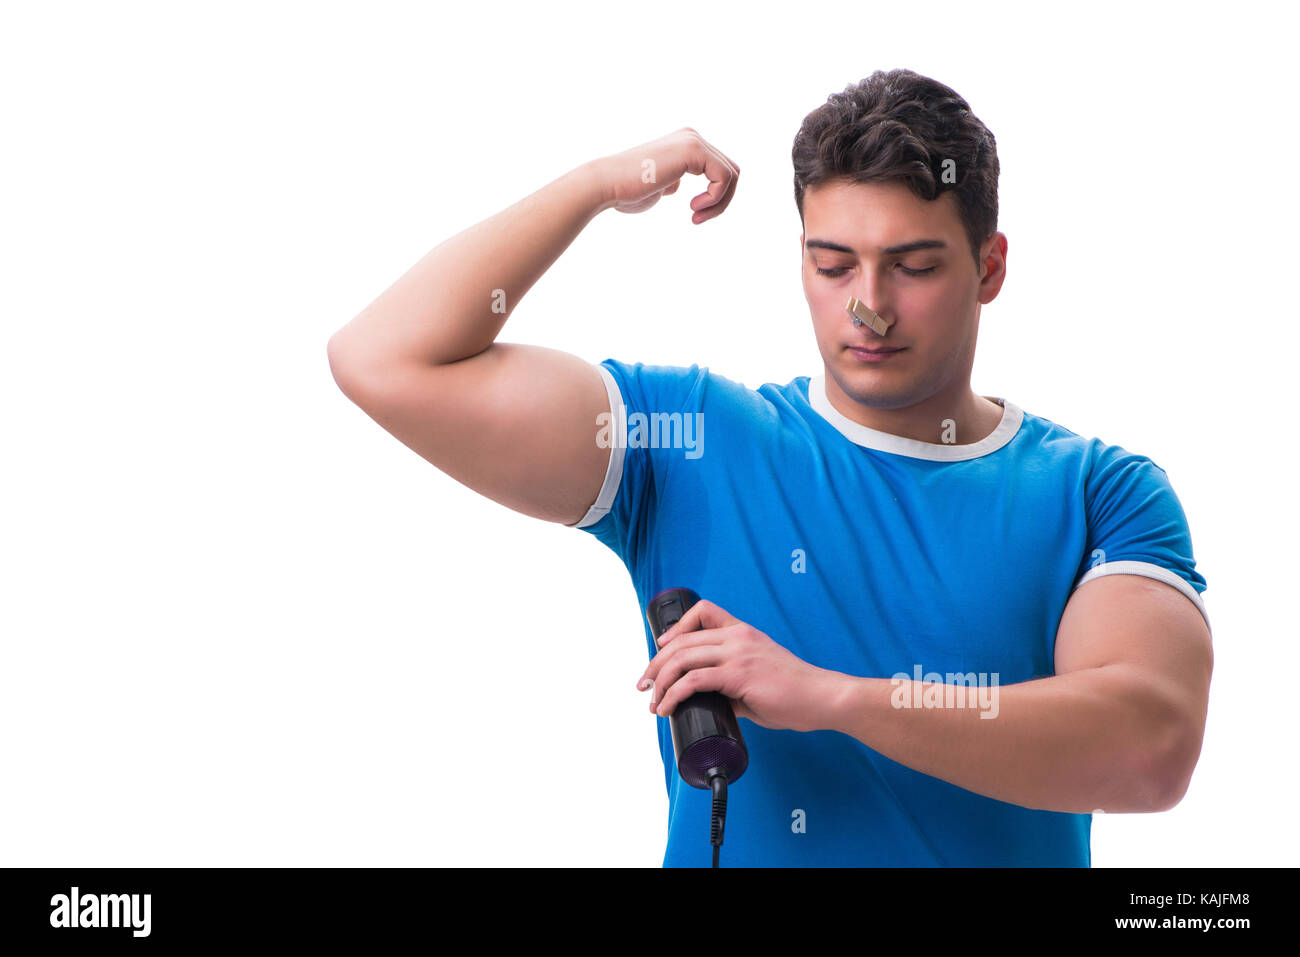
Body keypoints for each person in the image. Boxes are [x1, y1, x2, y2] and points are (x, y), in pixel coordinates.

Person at [327, 68, 1212, 867]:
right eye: (834, 264)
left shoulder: (1100, 491)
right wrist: (596, 187)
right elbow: (386, 358)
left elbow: (1149, 748)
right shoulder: (691, 440)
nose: (868, 305)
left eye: (911, 266)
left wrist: (832, 698)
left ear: (989, 267)